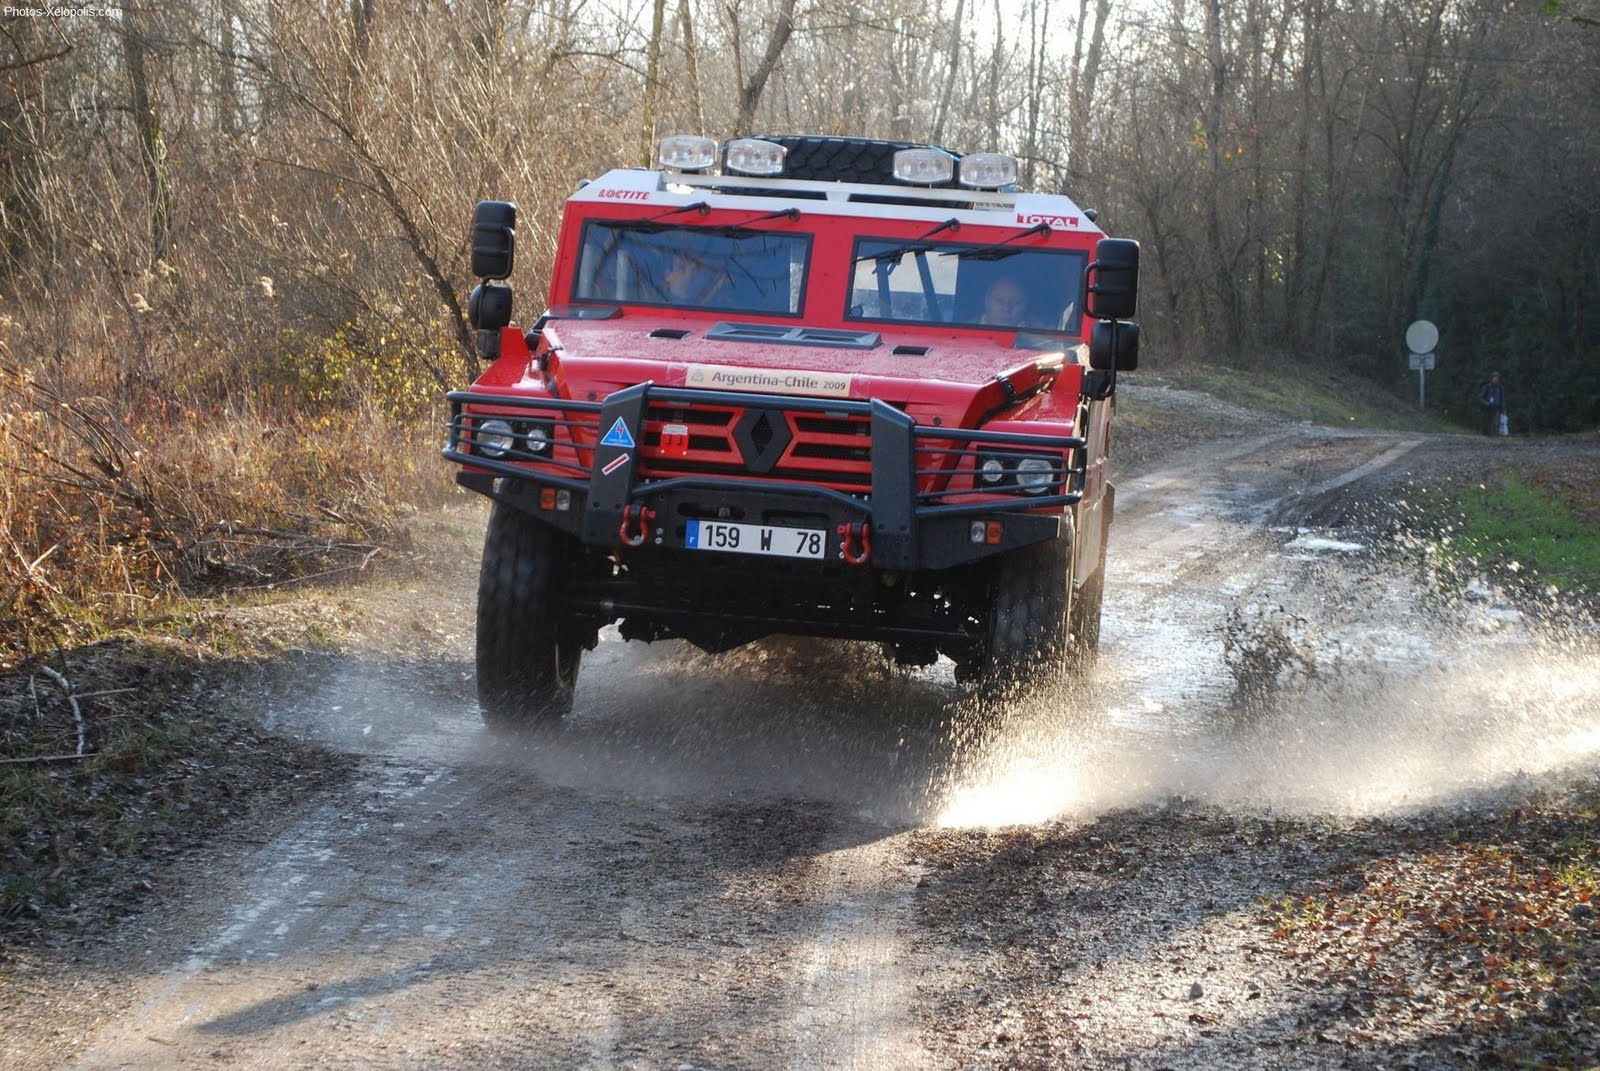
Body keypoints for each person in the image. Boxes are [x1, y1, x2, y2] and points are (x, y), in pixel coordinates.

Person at [1478, 371, 1506, 436]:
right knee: (1486, 425)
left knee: (1496, 424)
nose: (1496, 379)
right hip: (1487, 409)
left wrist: (1503, 410)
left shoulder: (1500, 388)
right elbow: (1480, 398)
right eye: (1494, 378)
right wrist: (1486, 403)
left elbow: (1502, 399)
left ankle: (1495, 437)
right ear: (1491, 378)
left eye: (1497, 378)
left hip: (1497, 408)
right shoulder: (1487, 387)